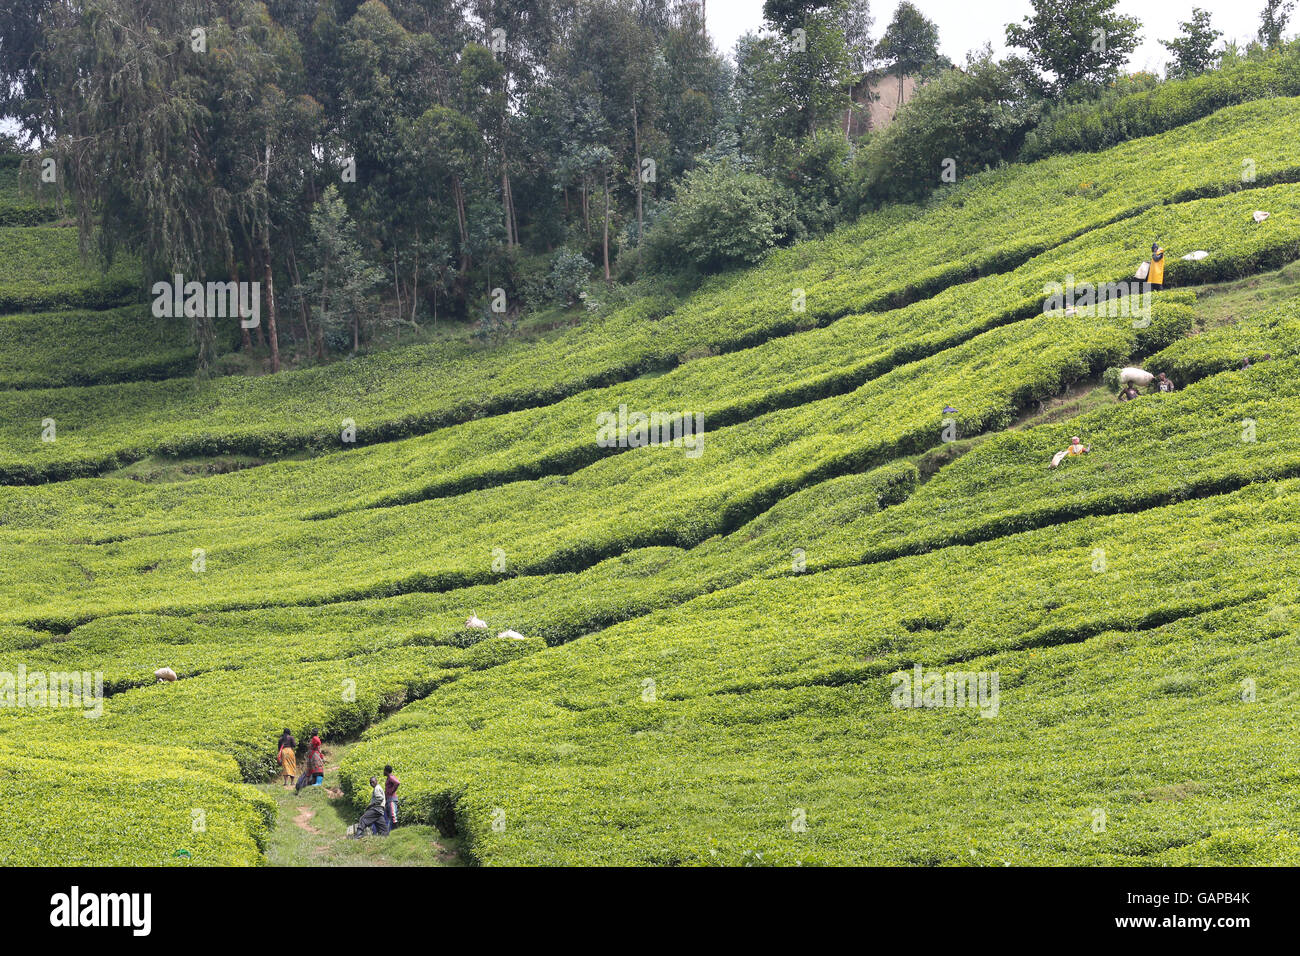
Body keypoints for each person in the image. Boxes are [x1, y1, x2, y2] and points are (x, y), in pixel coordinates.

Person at [383, 765, 400, 835]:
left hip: (392, 799)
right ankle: (391, 832)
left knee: (393, 816)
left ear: (386, 771)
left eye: (384, 770)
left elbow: (397, 783)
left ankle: (396, 832)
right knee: (389, 816)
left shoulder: (390, 777)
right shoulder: (388, 778)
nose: (383, 772)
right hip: (388, 799)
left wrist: (391, 791)